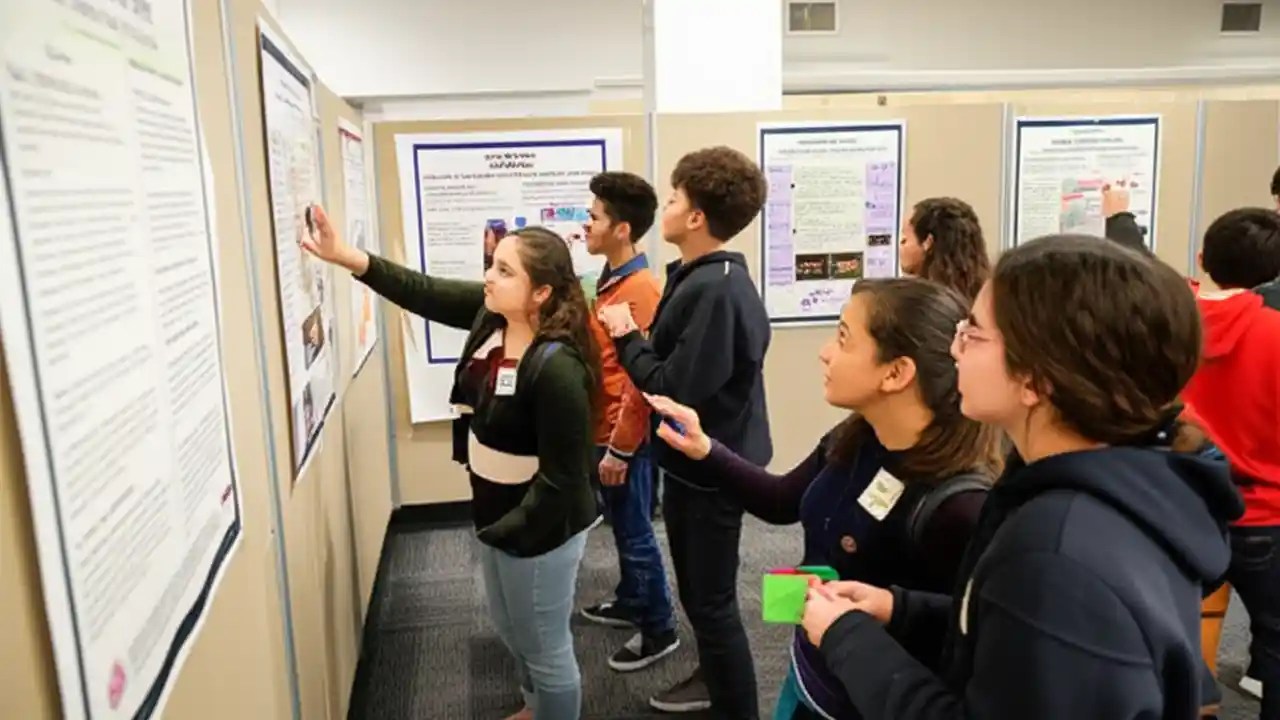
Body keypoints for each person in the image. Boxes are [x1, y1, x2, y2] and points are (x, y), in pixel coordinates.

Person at [799, 235, 1245, 719]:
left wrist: (847, 637)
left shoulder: (1056, 551)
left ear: (1035, 380)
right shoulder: (1111, 485)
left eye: (973, 333)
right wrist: (900, 608)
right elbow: (1019, 638)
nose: (953, 348)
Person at [645, 277, 1003, 720]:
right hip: (812, 669)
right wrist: (706, 450)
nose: (825, 351)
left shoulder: (957, 507)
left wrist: (887, 609)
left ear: (896, 373)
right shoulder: (854, 438)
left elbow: (974, 633)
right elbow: (781, 501)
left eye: (843, 338)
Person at [299, 206, 600, 720]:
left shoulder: (557, 369)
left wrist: (511, 530)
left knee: (545, 645)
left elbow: (564, 480)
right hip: (497, 513)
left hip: (538, 525)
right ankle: (537, 708)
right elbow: (424, 290)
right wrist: (345, 256)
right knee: (511, 629)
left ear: (542, 293)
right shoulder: (494, 317)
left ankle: (553, 708)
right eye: (492, 263)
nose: (488, 275)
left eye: (505, 271)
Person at [597, 146, 772, 717]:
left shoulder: (717, 288)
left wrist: (626, 336)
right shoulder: (697, 277)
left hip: (712, 472)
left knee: (713, 603)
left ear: (696, 217)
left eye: (673, 199)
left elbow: (671, 387)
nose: (665, 207)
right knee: (703, 600)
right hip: (694, 469)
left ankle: (735, 704)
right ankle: (717, 684)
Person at [575, 171, 680, 672]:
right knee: (621, 524)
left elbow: (644, 381)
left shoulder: (640, 289)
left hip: (626, 437)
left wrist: (619, 447)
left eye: (594, 218)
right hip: (606, 430)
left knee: (635, 530)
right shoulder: (612, 280)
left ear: (622, 229)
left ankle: (658, 627)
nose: (586, 226)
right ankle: (631, 600)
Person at [1182, 208, 1280, 719]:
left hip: (1182, 508)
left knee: (1173, 634)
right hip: (1265, 515)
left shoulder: (1169, 322)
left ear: (1202, 258)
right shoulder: (1277, 333)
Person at [897, 197, 990, 302]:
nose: (899, 247)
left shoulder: (924, 306)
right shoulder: (988, 296)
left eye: (904, 240)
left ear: (928, 242)